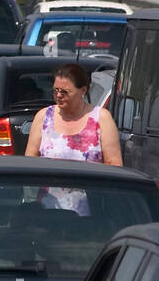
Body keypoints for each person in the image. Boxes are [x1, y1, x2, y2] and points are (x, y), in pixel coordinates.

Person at [25, 62, 121, 214]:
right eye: (55, 90)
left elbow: (114, 166)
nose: (58, 95)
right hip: (47, 209)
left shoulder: (101, 118)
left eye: (65, 92)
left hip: (90, 210)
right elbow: (29, 161)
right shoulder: (44, 117)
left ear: (83, 90)